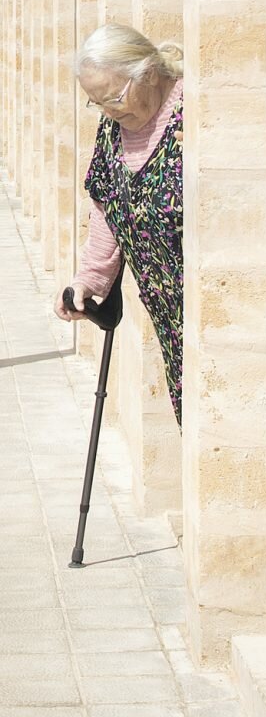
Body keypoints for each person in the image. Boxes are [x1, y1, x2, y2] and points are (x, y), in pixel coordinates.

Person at [54, 24, 184, 426]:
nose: (110, 111)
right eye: (98, 103)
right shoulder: (113, 128)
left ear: (147, 71)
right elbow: (108, 210)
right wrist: (89, 280)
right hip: (169, 317)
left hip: (218, 313)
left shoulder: (193, 113)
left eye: (114, 97)